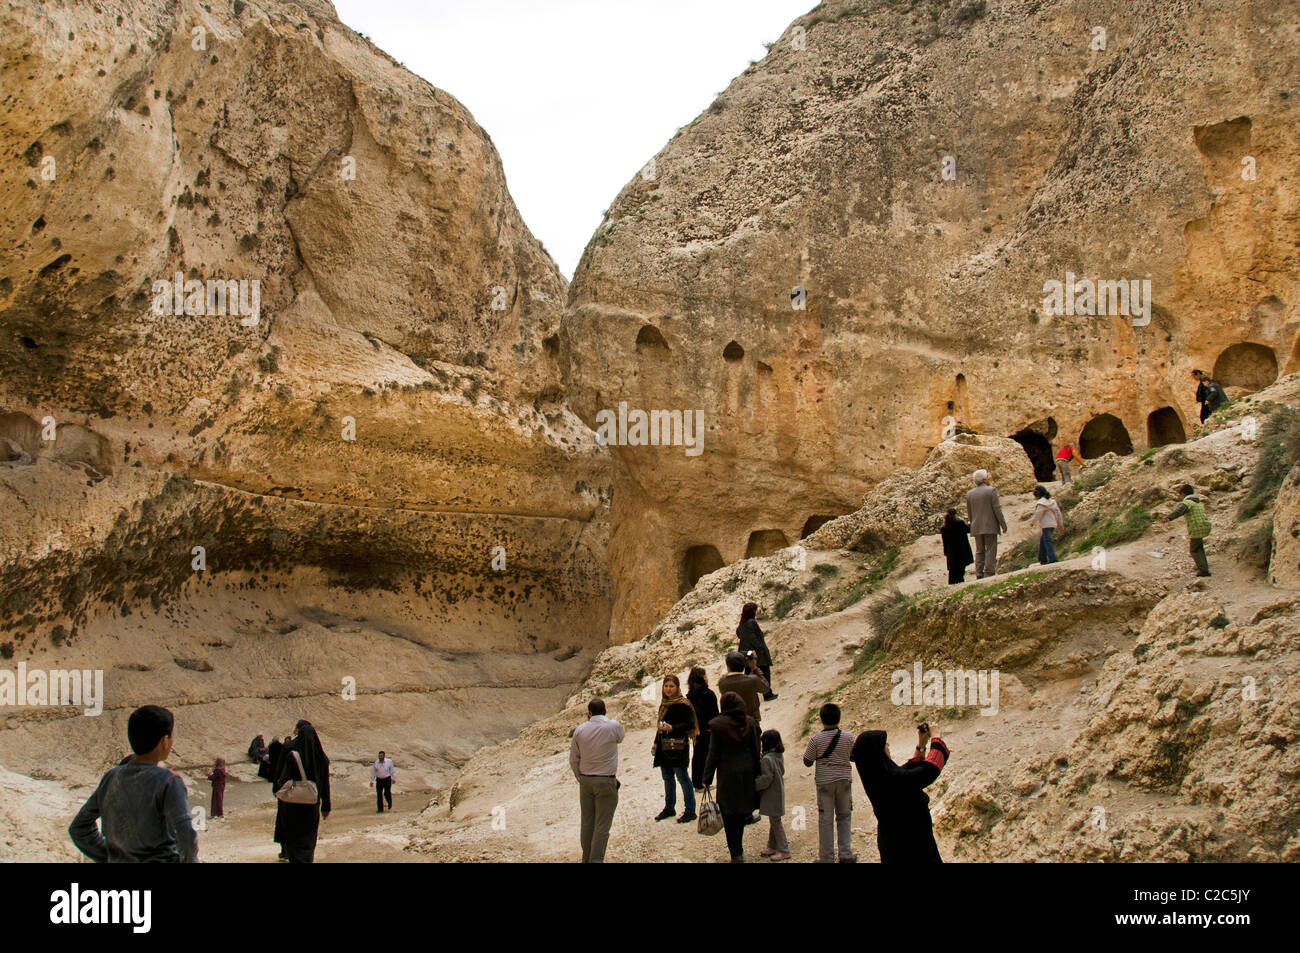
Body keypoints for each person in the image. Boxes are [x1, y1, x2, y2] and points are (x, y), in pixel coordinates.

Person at [69, 705, 199, 863]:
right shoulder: (168, 781)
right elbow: (186, 835)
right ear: (165, 741)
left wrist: (110, 856)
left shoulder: (111, 777)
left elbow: (79, 828)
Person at [851, 723, 950, 863]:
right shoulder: (893, 780)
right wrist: (936, 738)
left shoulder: (879, 778)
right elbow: (929, 770)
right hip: (911, 846)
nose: (888, 745)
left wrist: (921, 744)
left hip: (898, 845)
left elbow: (908, 770)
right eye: (885, 744)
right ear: (877, 752)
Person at [703, 692, 762, 862]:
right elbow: (754, 750)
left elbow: (713, 754)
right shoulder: (749, 722)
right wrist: (758, 773)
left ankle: (736, 853)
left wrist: (706, 779)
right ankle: (739, 847)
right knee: (741, 811)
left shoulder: (718, 725)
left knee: (729, 816)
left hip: (727, 775)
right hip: (746, 772)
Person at [570, 698, 624, 863]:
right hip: (606, 781)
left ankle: (586, 858)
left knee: (587, 823)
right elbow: (620, 738)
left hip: (586, 781)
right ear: (605, 711)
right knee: (602, 825)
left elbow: (573, 759)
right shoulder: (613, 726)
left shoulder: (579, 730)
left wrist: (580, 778)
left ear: (589, 713)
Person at [802, 702, 857, 863]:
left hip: (824, 782)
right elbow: (853, 757)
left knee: (825, 820)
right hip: (844, 780)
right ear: (839, 718)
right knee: (844, 816)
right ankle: (846, 854)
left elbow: (807, 761)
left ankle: (826, 857)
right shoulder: (848, 737)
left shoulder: (816, 739)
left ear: (821, 719)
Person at [272, 720, 330, 863]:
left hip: (291, 805)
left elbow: (280, 778)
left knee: (292, 837)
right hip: (311, 805)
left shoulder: (292, 753)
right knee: (308, 838)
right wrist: (326, 805)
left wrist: (278, 791)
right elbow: (325, 784)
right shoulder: (321, 758)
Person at [652, 675, 699, 823]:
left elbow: (690, 724)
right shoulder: (664, 704)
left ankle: (690, 810)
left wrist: (673, 728)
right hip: (664, 747)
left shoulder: (683, 704)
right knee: (667, 778)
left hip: (678, 747)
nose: (668, 689)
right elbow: (660, 725)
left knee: (682, 777)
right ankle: (669, 808)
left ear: (677, 687)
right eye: (666, 686)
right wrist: (655, 742)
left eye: (671, 686)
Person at [754, 729, 790, 861]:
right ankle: (772, 846)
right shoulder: (778, 755)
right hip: (778, 791)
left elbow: (766, 778)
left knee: (776, 822)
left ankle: (784, 850)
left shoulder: (767, 759)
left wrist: (754, 784)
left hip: (771, 794)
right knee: (774, 820)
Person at [966, 469, 1007, 579]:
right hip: (990, 525)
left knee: (979, 551)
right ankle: (989, 572)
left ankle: (979, 573)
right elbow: (997, 509)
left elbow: (969, 513)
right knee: (990, 549)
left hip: (976, 526)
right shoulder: (991, 491)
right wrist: (1003, 524)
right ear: (984, 479)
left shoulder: (969, 494)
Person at [1164, 483, 1212, 577]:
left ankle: (1203, 571)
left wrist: (1168, 518)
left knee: (1194, 550)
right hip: (1204, 526)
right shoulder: (1197, 502)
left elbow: (1179, 511)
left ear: (1183, 494)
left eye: (1180, 495)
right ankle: (1203, 566)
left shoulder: (1187, 503)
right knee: (1199, 548)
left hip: (1196, 527)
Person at [687, 667, 719, 792]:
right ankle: (704, 783)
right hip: (708, 730)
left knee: (697, 755)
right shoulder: (708, 694)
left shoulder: (690, 695)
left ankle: (697, 783)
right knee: (707, 756)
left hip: (697, 730)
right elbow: (714, 713)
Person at [736, 603, 777, 700]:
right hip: (757, 653)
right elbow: (752, 637)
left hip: (746, 653)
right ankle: (767, 693)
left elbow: (738, 634)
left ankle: (746, 695)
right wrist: (760, 647)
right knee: (764, 673)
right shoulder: (751, 622)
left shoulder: (742, 623)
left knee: (748, 673)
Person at [717, 651, 770, 726]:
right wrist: (754, 668)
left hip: (733, 724)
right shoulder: (752, 680)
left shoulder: (722, 683)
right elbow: (766, 688)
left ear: (728, 667)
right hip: (752, 722)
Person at [1030, 485, 1063, 564]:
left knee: (1047, 542)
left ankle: (1052, 558)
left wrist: (1032, 522)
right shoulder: (1052, 501)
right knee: (1043, 540)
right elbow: (1058, 513)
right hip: (1053, 524)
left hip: (1046, 525)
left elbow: (1038, 514)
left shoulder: (1041, 503)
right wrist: (1060, 523)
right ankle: (1042, 558)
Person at [939, 508, 973, 584]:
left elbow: (945, 542)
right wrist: (969, 523)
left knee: (953, 572)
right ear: (955, 515)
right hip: (962, 551)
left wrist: (946, 552)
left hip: (951, 553)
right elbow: (968, 530)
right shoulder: (960, 523)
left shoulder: (944, 528)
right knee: (961, 570)